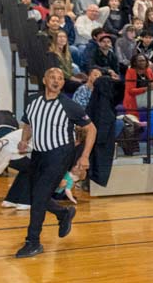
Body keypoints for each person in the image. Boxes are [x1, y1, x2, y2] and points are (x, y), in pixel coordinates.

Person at [15, 68, 95, 258]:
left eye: (60, 78)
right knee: (36, 196)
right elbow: (28, 123)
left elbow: (91, 129)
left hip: (60, 154)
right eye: (53, 77)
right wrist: (25, 140)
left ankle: (33, 241)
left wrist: (84, 157)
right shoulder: (33, 101)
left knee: (40, 196)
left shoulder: (69, 105)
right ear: (44, 80)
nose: (57, 81)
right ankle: (63, 213)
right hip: (38, 154)